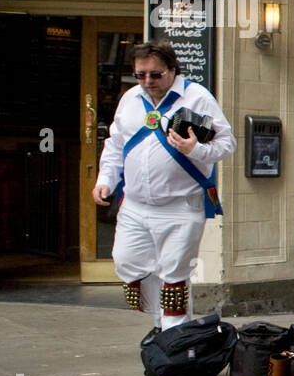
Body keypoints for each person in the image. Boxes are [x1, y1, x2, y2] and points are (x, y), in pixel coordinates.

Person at [92, 42, 235, 329]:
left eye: (155, 75)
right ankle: (163, 323)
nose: (147, 82)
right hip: (133, 205)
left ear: (172, 70)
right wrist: (106, 180)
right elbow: (115, 145)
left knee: (174, 274)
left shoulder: (197, 98)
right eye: (140, 75)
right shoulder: (130, 99)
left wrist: (195, 150)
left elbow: (226, 144)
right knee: (126, 264)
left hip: (180, 206)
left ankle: (173, 335)